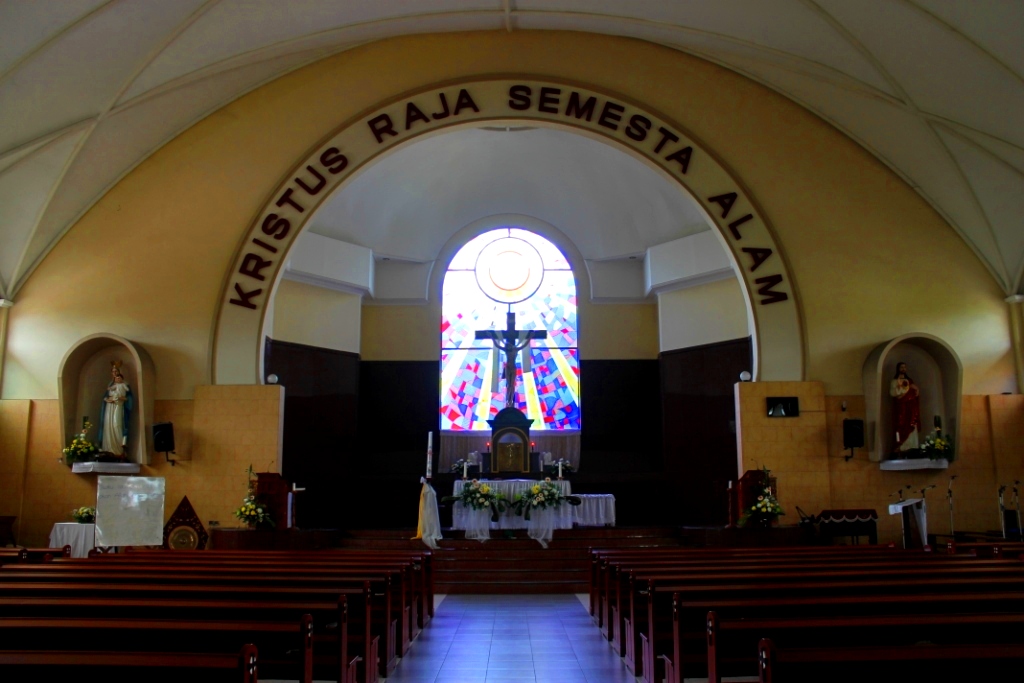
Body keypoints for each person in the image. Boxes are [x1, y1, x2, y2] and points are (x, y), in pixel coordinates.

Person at [99, 361, 133, 455]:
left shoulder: (125, 385)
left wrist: (120, 398)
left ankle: (118, 450)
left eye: (116, 371)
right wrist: (106, 399)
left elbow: (129, 398)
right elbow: (105, 396)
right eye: (113, 371)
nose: (114, 373)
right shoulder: (110, 385)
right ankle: (108, 449)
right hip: (109, 408)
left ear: (119, 373)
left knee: (116, 425)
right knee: (108, 426)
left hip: (119, 406)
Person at [890, 361, 920, 454]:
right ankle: (901, 446)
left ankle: (912, 446)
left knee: (911, 423)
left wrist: (915, 391)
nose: (903, 369)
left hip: (911, 406)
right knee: (901, 424)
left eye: (904, 367)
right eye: (901, 367)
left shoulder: (910, 381)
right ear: (898, 369)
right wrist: (901, 388)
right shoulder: (894, 381)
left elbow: (916, 392)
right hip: (901, 406)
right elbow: (893, 393)